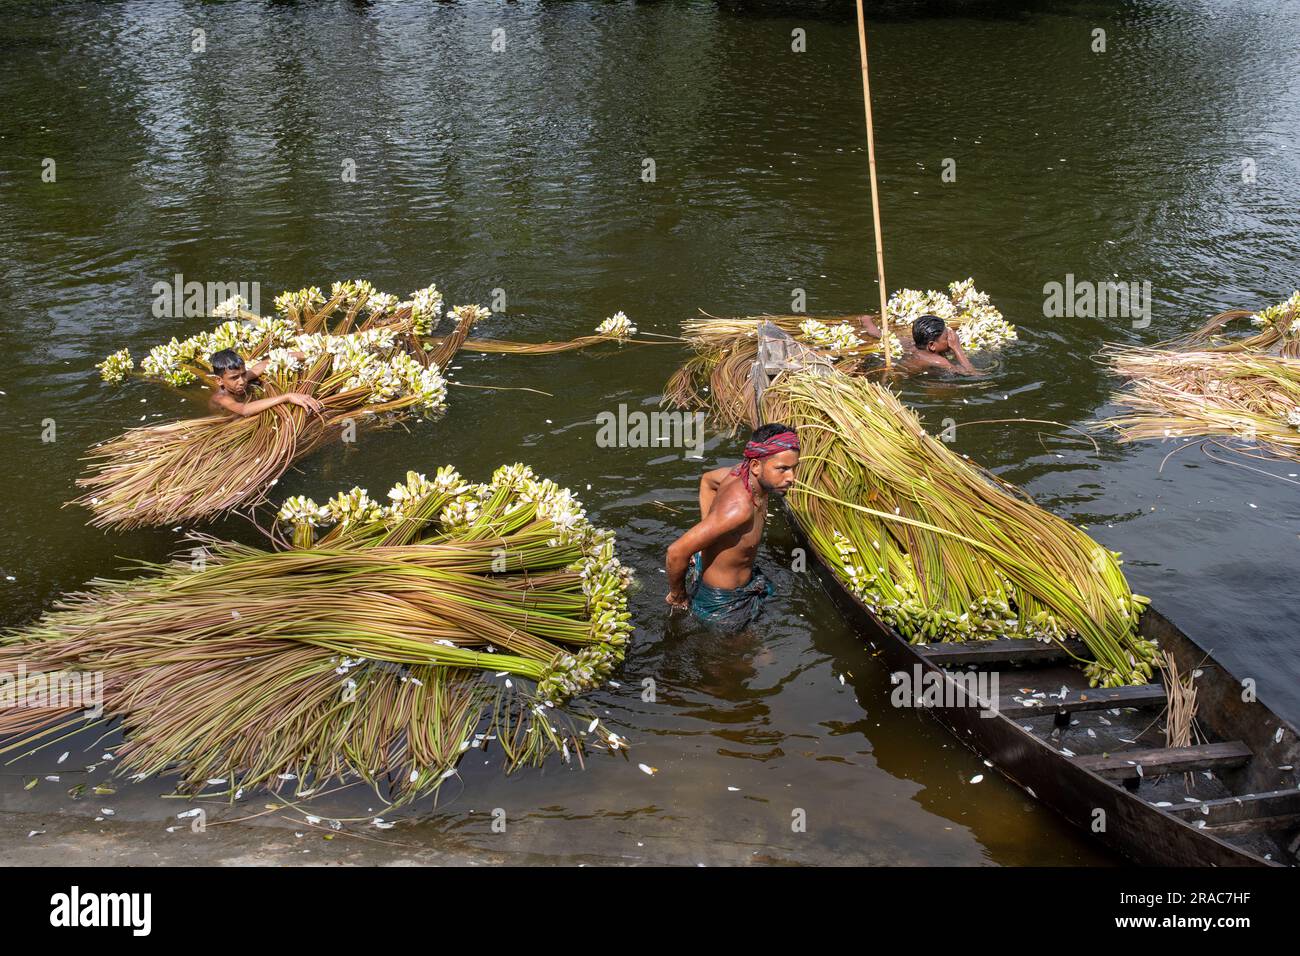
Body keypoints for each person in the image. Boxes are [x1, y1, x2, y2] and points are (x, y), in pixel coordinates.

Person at [665, 423, 800, 630]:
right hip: (722, 605)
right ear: (756, 466)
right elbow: (676, 552)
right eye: (782, 469)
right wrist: (678, 596)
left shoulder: (741, 472)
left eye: (793, 468)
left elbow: (708, 481)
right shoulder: (738, 510)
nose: (791, 478)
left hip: (744, 581)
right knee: (751, 659)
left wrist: (706, 534)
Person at [207, 348, 322, 417]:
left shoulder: (243, 378)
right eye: (234, 378)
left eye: (243, 374)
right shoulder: (220, 398)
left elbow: (266, 363)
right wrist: (287, 397)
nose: (242, 381)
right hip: (229, 418)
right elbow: (244, 410)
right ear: (219, 380)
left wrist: (310, 355)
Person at [854, 312, 978, 375]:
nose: (951, 340)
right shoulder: (939, 361)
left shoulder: (907, 343)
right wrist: (957, 348)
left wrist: (866, 320)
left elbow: (879, 334)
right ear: (932, 346)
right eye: (947, 338)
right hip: (896, 376)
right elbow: (971, 373)